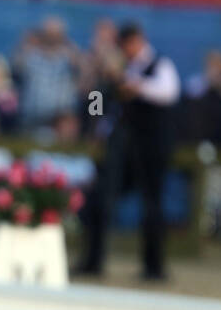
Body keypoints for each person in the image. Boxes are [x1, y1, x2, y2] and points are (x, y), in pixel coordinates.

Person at [76, 22, 180, 281]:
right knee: (100, 198)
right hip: (122, 150)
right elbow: (100, 106)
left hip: (152, 149)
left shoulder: (159, 65)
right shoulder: (119, 71)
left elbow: (169, 92)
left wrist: (136, 86)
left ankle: (154, 267)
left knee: (152, 206)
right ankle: (93, 260)